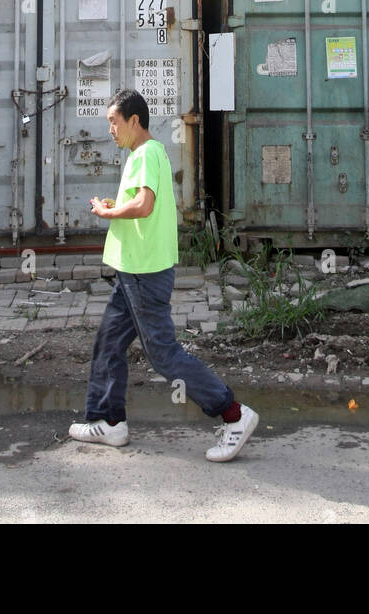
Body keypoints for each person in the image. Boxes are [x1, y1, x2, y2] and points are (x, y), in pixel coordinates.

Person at [68, 88, 259, 462]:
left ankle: (233, 414)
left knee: (164, 356)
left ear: (133, 120)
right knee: (108, 343)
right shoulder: (149, 153)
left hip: (143, 274)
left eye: (113, 121)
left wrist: (108, 214)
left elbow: (143, 205)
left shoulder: (145, 153)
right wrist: (116, 205)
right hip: (132, 273)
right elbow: (141, 205)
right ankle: (109, 421)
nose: (110, 129)